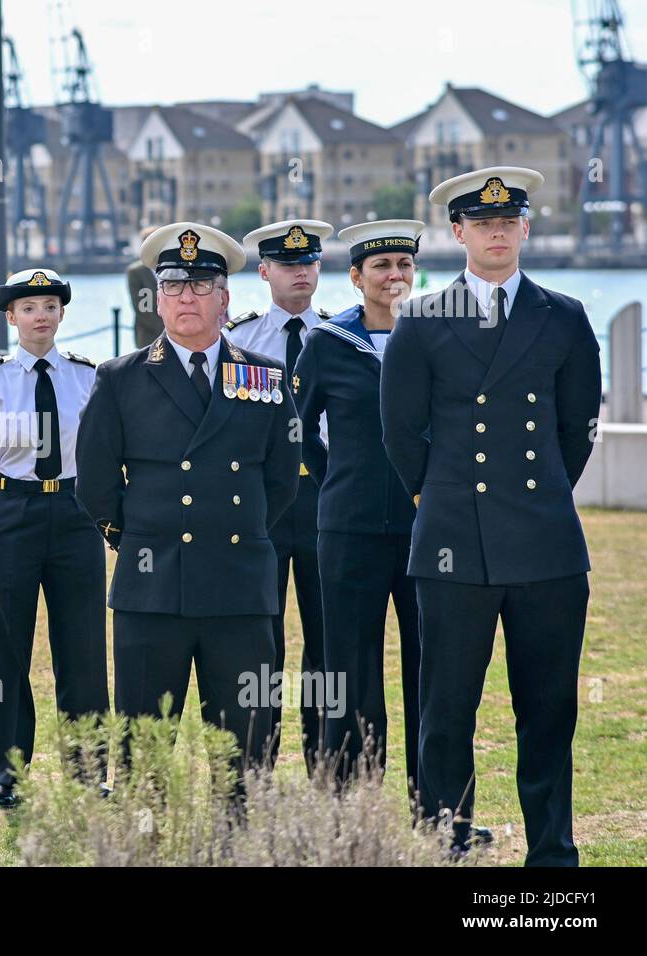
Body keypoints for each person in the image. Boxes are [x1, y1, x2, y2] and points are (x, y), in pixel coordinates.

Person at [381, 166, 602, 865]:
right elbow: (400, 429)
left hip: (546, 546)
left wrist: (535, 497)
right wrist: (439, 497)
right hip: (452, 544)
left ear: (525, 229)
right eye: (482, 223)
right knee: (446, 713)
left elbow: (577, 428)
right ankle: (445, 844)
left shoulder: (563, 315)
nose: (497, 232)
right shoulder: (420, 317)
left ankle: (552, 854)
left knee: (547, 713)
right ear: (459, 233)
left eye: (508, 222)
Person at [76, 222, 300, 774]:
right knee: (144, 753)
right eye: (174, 286)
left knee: (245, 751)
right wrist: (137, 539)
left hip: (239, 587)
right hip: (152, 587)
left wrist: (247, 532)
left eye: (201, 286)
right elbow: (96, 480)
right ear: (157, 298)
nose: (187, 298)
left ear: (225, 298)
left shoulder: (266, 376)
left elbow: (282, 476)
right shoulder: (121, 378)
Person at [292, 219, 424, 792]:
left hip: (428, 528)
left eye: (404, 266)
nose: (394, 276)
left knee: (433, 669)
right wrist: (337, 482)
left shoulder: (433, 336)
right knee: (349, 669)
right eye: (381, 267)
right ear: (355, 277)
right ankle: (350, 801)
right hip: (348, 529)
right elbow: (295, 430)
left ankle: (436, 801)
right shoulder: (327, 342)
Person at [0, 268, 109, 808]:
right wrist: (5, 508)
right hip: (14, 512)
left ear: (61, 314)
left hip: (76, 513)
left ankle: (88, 770)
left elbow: (101, 452)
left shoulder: (86, 376)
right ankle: (6, 774)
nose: (41, 316)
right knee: (7, 648)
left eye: (50, 305)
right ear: (11, 317)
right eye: (29, 308)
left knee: (82, 647)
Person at [223, 218, 334, 770]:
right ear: (264, 272)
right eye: (289, 265)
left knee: (326, 641)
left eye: (309, 263)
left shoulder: (343, 336)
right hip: (259, 505)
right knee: (257, 641)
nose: (300, 272)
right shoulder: (237, 341)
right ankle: (257, 762)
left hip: (323, 501)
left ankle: (326, 763)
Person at [127, 226, 162, 348]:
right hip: (148, 337)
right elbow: (143, 309)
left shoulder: (171, 269)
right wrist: (169, 330)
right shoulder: (136, 272)